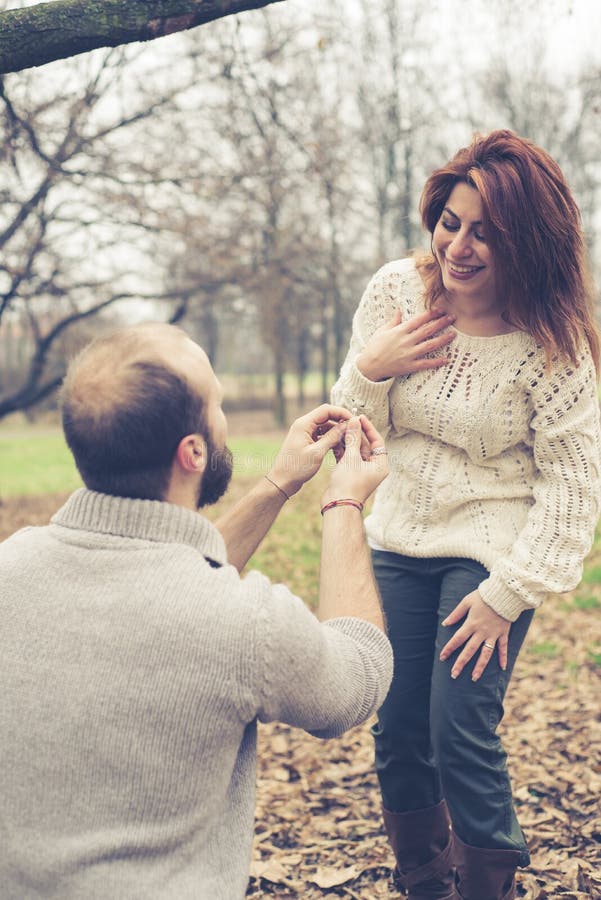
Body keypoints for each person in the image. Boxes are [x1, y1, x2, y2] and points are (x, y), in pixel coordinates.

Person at [0, 321, 394, 900]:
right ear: (193, 452)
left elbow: (174, 577)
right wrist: (344, 500)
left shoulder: (11, 568)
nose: (225, 418)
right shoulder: (245, 623)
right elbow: (359, 675)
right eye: (218, 404)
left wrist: (279, 483)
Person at [331, 129, 601, 900]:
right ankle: (424, 885)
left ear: (529, 243)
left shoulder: (552, 346)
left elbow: (573, 490)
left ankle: (490, 888)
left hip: (491, 555)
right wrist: (367, 370)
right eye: (450, 222)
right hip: (397, 542)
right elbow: (349, 432)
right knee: (398, 733)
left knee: (457, 732)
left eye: (487, 231)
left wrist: (505, 594)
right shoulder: (395, 295)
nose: (460, 245)